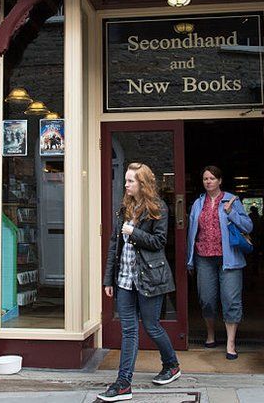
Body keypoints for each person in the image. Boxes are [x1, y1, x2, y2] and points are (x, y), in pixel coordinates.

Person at [99, 162, 180, 401]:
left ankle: (172, 364)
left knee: (152, 326)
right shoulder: (124, 208)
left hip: (150, 278)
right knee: (129, 330)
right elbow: (114, 246)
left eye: (130, 181)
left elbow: (159, 242)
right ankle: (124, 383)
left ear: (142, 183)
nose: (126, 185)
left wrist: (134, 232)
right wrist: (108, 279)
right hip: (124, 279)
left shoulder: (158, 208)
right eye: (126, 180)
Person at [186, 165, 253, 360]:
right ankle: (211, 334)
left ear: (220, 181)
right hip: (204, 257)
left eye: (212, 178)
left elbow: (248, 225)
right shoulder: (198, 204)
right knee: (206, 299)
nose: (208, 182)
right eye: (205, 178)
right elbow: (191, 233)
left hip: (229, 258)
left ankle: (231, 343)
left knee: (231, 300)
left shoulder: (232, 200)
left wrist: (231, 212)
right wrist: (189, 259)